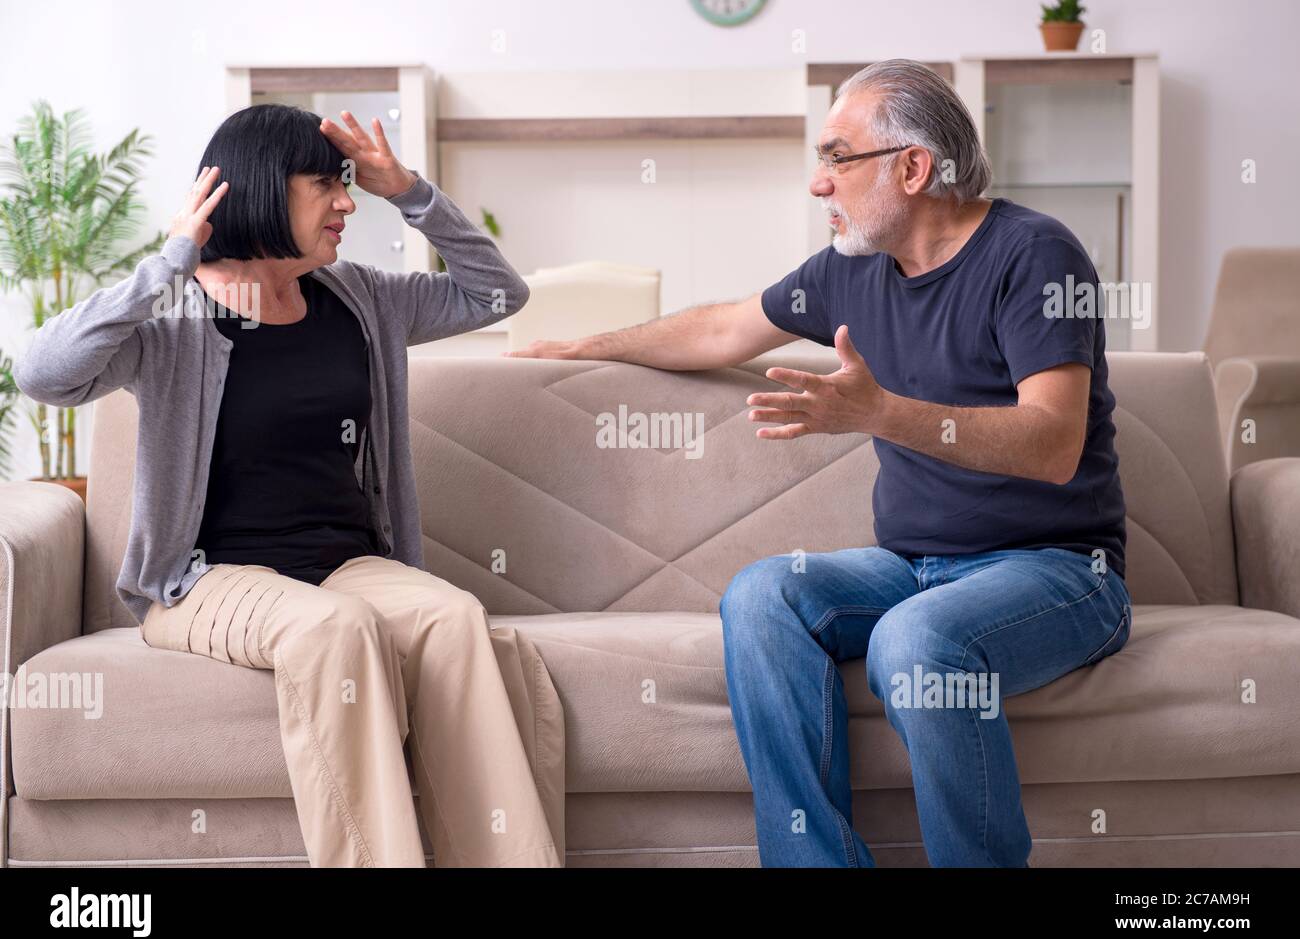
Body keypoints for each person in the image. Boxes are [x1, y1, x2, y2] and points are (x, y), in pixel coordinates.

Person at [506, 59, 1131, 867]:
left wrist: (878, 413)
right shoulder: (852, 271)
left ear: (912, 168)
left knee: (916, 641)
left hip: (1057, 570)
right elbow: (722, 328)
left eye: (837, 158)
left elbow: (1053, 443)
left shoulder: (1034, 254)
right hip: (914, 567)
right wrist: (583, 346)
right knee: (763, 594)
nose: (818, 183)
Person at [15, 103, 563, 868]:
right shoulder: (174, 314)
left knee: (453, 616)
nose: (347, 202)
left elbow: (497, 295)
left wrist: (408, 190)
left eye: (348, 185)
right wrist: (172, 259)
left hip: (346, 562)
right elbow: (42, 372)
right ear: (266, 190)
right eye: (325, 185)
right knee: (336, 628)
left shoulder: (361, 298)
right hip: (206, 581)